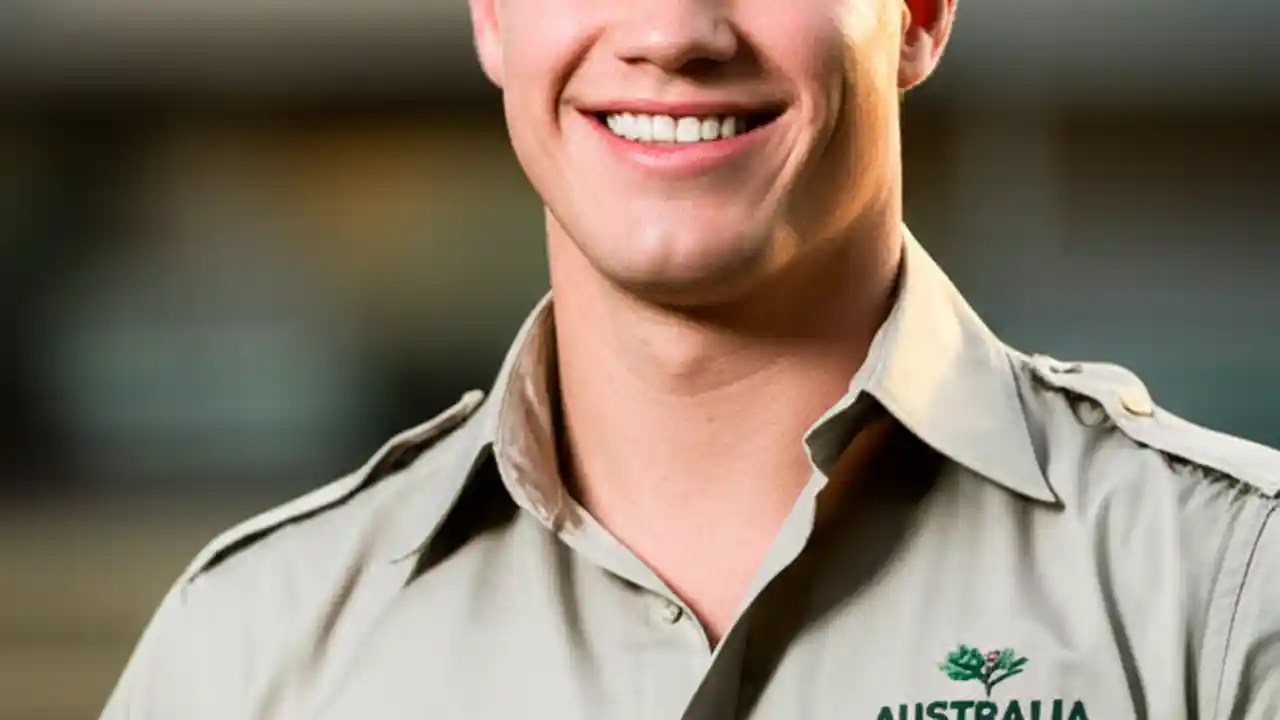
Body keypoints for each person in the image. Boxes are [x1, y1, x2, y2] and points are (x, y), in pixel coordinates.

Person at [101, 0, 1279, 718]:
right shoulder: (244, 648)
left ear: (918, 13)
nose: (672, 33)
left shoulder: (1228, 595)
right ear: (492, 15)